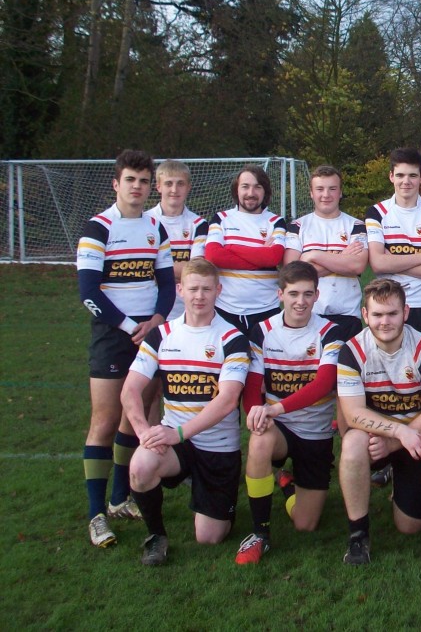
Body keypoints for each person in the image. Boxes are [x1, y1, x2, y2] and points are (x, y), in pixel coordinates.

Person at [121, 258, 251, 566]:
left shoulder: (232, 338)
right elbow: (129, 390)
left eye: (207, 289)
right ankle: (156, 536)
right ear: (180, 290)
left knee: (209, 537)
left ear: (219, 290)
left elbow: (228, 400)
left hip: (217, 447)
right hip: (174, 442)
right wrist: (144, 434)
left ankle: (211, 498)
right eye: (193, 289)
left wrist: (178, 432)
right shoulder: (161, 335)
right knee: (140, 465)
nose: (199, 296)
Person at [77, 149, 175, 548]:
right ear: (116, 184)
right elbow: (87, 291)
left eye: (144, 181)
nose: (138, 187)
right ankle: (96, 514)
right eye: (130, 180)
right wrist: (129, 325)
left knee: (132, 419)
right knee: (105, 420)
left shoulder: (156, 227)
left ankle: (121, 498)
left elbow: (167, 283)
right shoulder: (97, 228)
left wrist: (155, 321)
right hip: (114, 334)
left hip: (150, 334)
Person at [234, 261, 346, 565]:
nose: (301, 301)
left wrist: (274, 407)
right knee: (259, 438)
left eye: (308, 294)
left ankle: (287, 486)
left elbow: (324, 384)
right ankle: (260, 534)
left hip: (315, 432)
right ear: (279, 294)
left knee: (306, 524)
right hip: (278, 428)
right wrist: (256, 413)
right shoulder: (263, 330)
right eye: (293, 293)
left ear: (316, 295)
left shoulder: (330, 331)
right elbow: (253, 384)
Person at [336, 279, 421, 564]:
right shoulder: (351, 351)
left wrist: (396, 442)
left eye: (392, 314)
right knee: (352, 443)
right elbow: (353, 414)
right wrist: (396, 434)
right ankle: (358, 535)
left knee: (410, 527)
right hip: (378, 437)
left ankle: (404, 483)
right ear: (365, 315)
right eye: (377, 315)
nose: (384, 322)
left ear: (406, 312)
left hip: (418, 439)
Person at [365, 148, 421, 344]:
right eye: (400, 175)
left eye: (412, 175)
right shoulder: (376, 212)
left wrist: (392, 260)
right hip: (386, 305)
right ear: (391, 176)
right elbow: (377, 264)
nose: (406, 181)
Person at [285, 165, 368, 340]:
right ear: (311, 193)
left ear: (340, 192)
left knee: (345, 368)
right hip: (308, 314)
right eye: (320, 189)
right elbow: (292, 273)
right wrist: (341, 258)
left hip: (346, 315)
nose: (326, 195)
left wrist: (313, 255)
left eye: (332, 189)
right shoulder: (297, 226)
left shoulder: (357, 226)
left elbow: (357, 265)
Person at [205, 165, 287, 334]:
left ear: (265, 191)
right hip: (225, 309)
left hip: (266, 309)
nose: (251, 193)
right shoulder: (221, 218)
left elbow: (273, 257)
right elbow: (213, 255)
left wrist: (230, 248)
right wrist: (259, 258)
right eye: (245, 186)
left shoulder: (276, 221)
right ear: (237, 190)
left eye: (257, 187)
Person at [146, 159, 208, 320]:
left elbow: (196, 270)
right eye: (168, 184)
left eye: (180, 184)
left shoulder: (198, 224)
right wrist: (180, 270)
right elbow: (141, 270)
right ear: (158, 187)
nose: (174, 189)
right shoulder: (145, 221)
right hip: (149, 307)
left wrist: (155, 269)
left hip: (186, 310)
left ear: (188, 187)